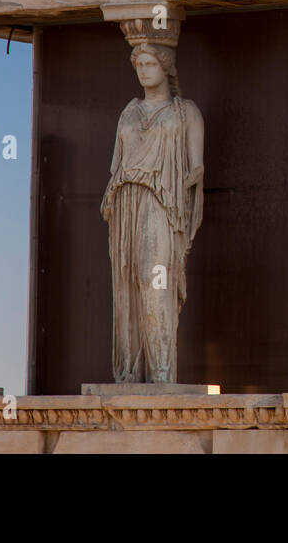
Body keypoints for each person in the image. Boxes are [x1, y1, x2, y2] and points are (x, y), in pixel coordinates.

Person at [101, 41, 204, 384]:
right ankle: (130, 372)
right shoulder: (128, 113)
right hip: (126, 201)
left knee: (152, 275)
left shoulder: (184, 112)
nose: (143, 70)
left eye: (150, 64)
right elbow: (117, 165)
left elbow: (196, 168)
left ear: (166, 67)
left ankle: (162, 372)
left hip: (163, 203)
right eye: (139, 65)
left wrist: (191, 184)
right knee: (128, 283)